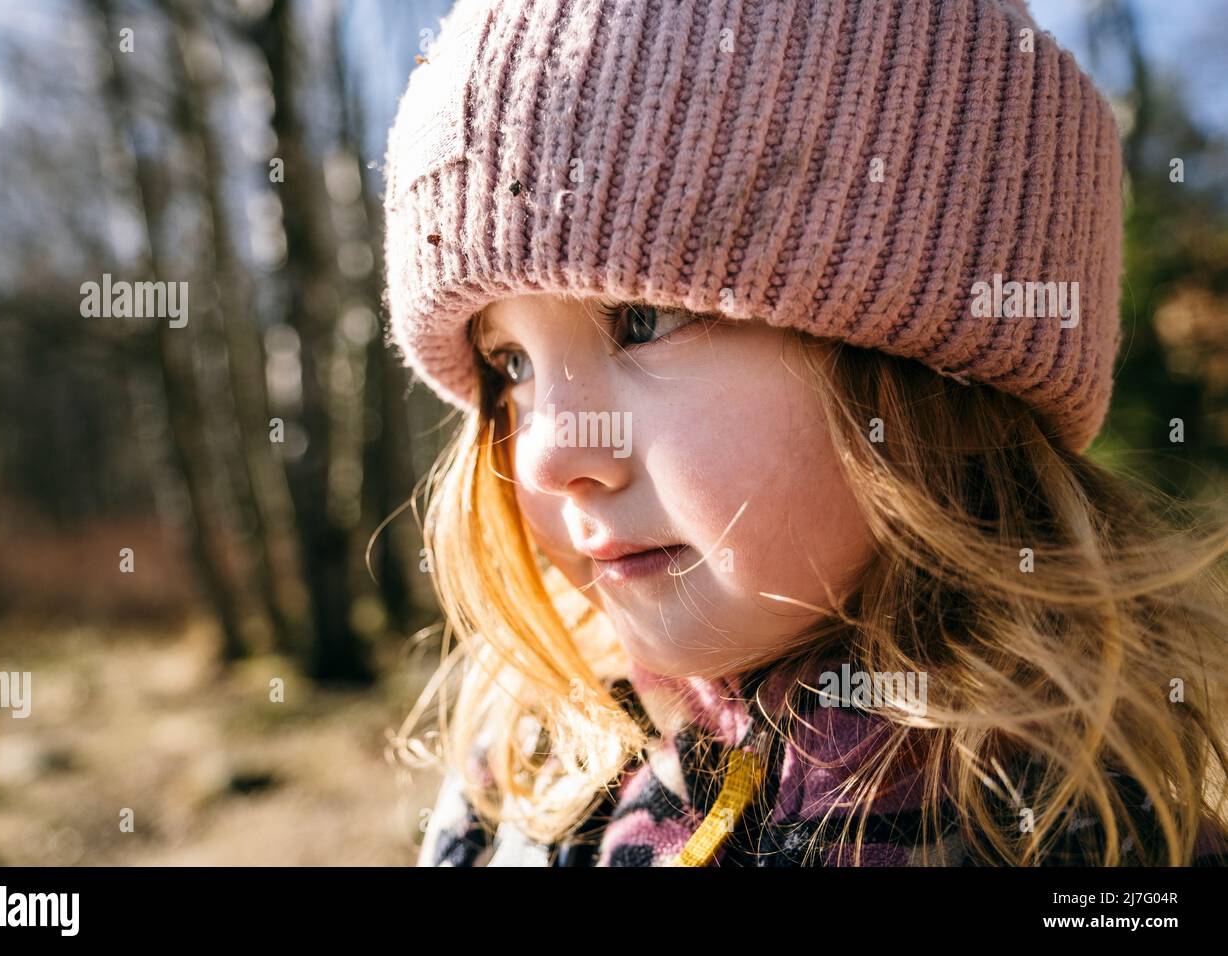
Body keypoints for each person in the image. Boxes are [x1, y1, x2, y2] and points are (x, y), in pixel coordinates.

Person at [381, 0, 1228, 866]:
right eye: (511, 367)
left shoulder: (1063, 833)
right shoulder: (534, 774)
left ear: (943, 385)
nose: (553, 454)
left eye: (647, 318)